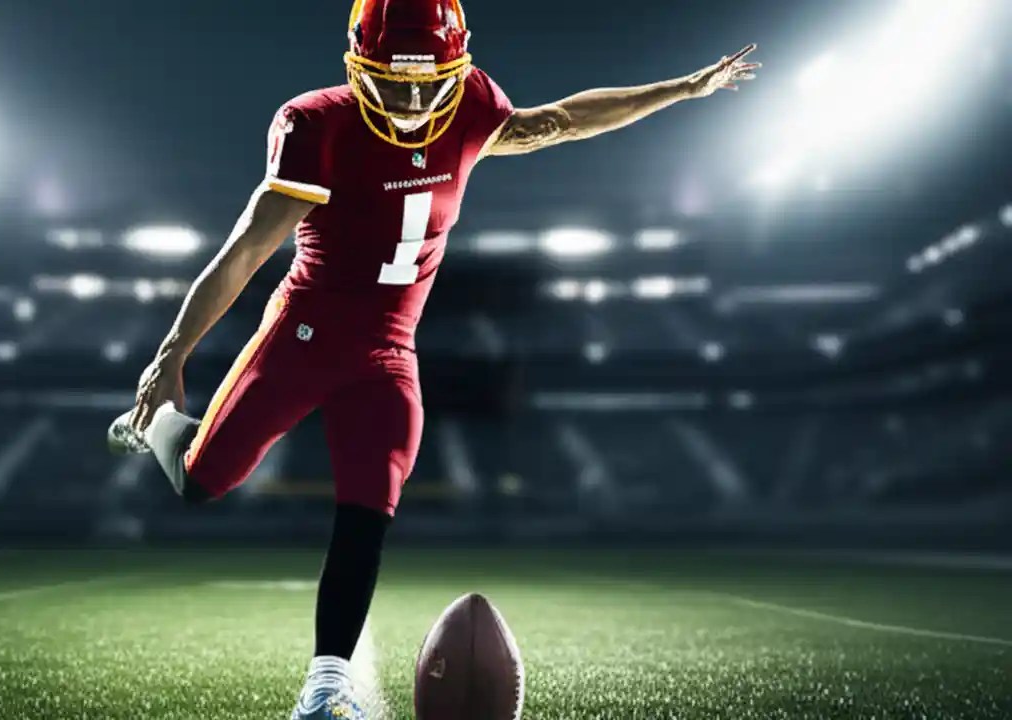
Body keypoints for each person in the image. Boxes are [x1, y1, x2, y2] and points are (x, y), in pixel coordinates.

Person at [108, 1, 760, 717]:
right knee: (204, 479)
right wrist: (171, 354)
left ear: (461, 68)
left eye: (429, 82)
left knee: (368, 507)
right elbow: (245, 255)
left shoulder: (474, 106)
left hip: (389, 349)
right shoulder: (316, 125)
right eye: (394, 82)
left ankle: (326, 689)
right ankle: (160, 424)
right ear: (357, 68)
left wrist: (679, 89)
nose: (414, 100)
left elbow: (563, 120)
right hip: (306, 334)